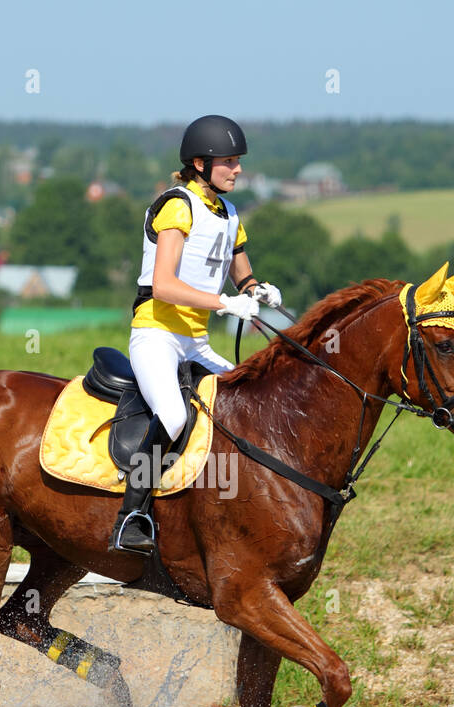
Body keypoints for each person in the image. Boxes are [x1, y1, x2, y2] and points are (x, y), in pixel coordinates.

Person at [110, 114, 282, 554]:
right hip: (157, 335)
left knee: (252, 400)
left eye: (238, 160)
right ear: (201, 164)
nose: (238, 169)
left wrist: (254, 289)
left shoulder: (229, 213)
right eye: (228, 161)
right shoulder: (177, 205)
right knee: (172, 416)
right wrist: (226, 303)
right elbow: (165, 285)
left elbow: (238, 268)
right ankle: (132, 515)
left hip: (196, 342)